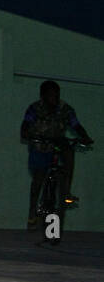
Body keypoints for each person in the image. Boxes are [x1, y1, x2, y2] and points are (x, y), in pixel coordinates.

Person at [21, 80, 93, 228]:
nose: (54, 98)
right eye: (50, 95)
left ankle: (66, 191)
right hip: (40, 145)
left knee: (69, 152)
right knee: (38, 179)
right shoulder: (34, 109)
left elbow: (76, 125)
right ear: (43, 96)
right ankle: (32, 212)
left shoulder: (65, 109)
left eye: (56, 95)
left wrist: (85, 137)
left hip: (58, 141)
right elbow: (26, 125)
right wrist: (26, 134)